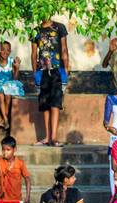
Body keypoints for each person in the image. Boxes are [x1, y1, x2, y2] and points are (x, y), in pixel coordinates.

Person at [31, 17, 70, 145]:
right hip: (42, 71)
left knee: (55, 103)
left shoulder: (60, 27)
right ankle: (47, 137)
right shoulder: (36, 30)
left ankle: (54, 137)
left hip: (57, 70)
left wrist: (66, 68)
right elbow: (34, 54)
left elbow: (64, 49)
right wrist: (34, 72)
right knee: (45, 104)